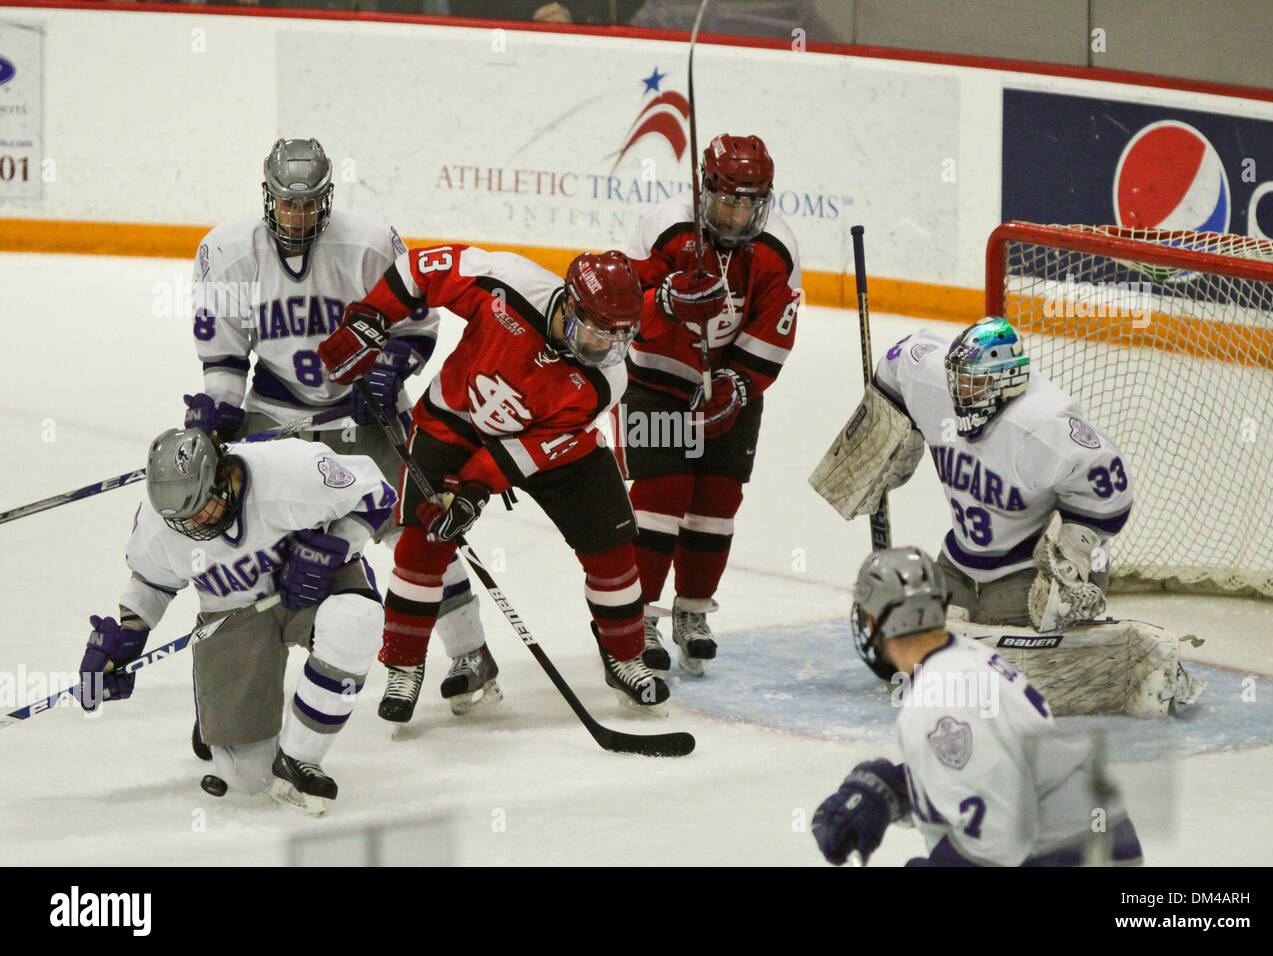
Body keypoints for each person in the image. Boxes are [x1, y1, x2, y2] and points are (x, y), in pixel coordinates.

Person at [182, 137, 487, 726]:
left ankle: (470, 651)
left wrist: (393, 364)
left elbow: (418, 321)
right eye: (286, 204)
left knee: (418, 527)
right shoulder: (226, 252)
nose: (296, 216)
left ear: (327, 199)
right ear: (267, 198)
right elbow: (222, 362)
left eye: (308, 204)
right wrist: (219, 414)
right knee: (260, 546)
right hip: (275, 418)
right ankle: (239, 700)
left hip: (364, 410)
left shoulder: (368, 241)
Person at [317, 244, 669, 713]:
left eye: (619, 338)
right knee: (422, 540)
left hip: (552, 448)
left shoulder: (607, 380)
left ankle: (626, 655)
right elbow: (423, 267)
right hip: (455, 420)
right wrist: (371, 317)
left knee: (612, 549)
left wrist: (474, 489)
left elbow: (532, 450)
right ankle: (403, 665)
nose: (605, 348)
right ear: (569, 302)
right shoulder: (507, 282)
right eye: (596, 333)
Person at [76, 428, 395, 815]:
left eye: (200, 509)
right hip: (232, 617)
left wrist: (338, 544)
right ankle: (220, 716)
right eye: (182, 519)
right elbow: (152, 581)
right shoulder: (162, 521)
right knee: (248, 779)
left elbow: (377, 492)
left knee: (355, 621)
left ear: (222, 475)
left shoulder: (291, 471)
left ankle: (299, 757)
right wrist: (128, 637)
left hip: (318, 586)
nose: (193, 525)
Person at [811, 547, 1143, 866]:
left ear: (872, 621)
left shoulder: (940, 696)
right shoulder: (967, 659)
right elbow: (995, 774)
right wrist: (892, 790)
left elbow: (998, 841)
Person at [620, 133, 801, 674]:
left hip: (731, 386)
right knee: (660, 497)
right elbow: (623, 305)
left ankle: (693, 612)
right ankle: (639, 617)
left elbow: (775, 329)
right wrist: (667, 302)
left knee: (716, 504)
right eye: (728, 199)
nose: (738, 212)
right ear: (705, 189)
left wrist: (738, 385)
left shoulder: (778, 248)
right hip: (659, 383)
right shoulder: (668, 228)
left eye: (750, 202)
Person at [867, 316, 1133, 631]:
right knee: (924, 646)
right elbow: (898, 363)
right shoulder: (933, 384)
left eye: (974, 385)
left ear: (1008, 380)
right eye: (959, 381)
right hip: (959, 561)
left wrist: (1074, 558)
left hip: (1025, 569)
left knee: (1013, 669)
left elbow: (1110, 485)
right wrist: (888, 425)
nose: (960, 395)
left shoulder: (1038, 426)